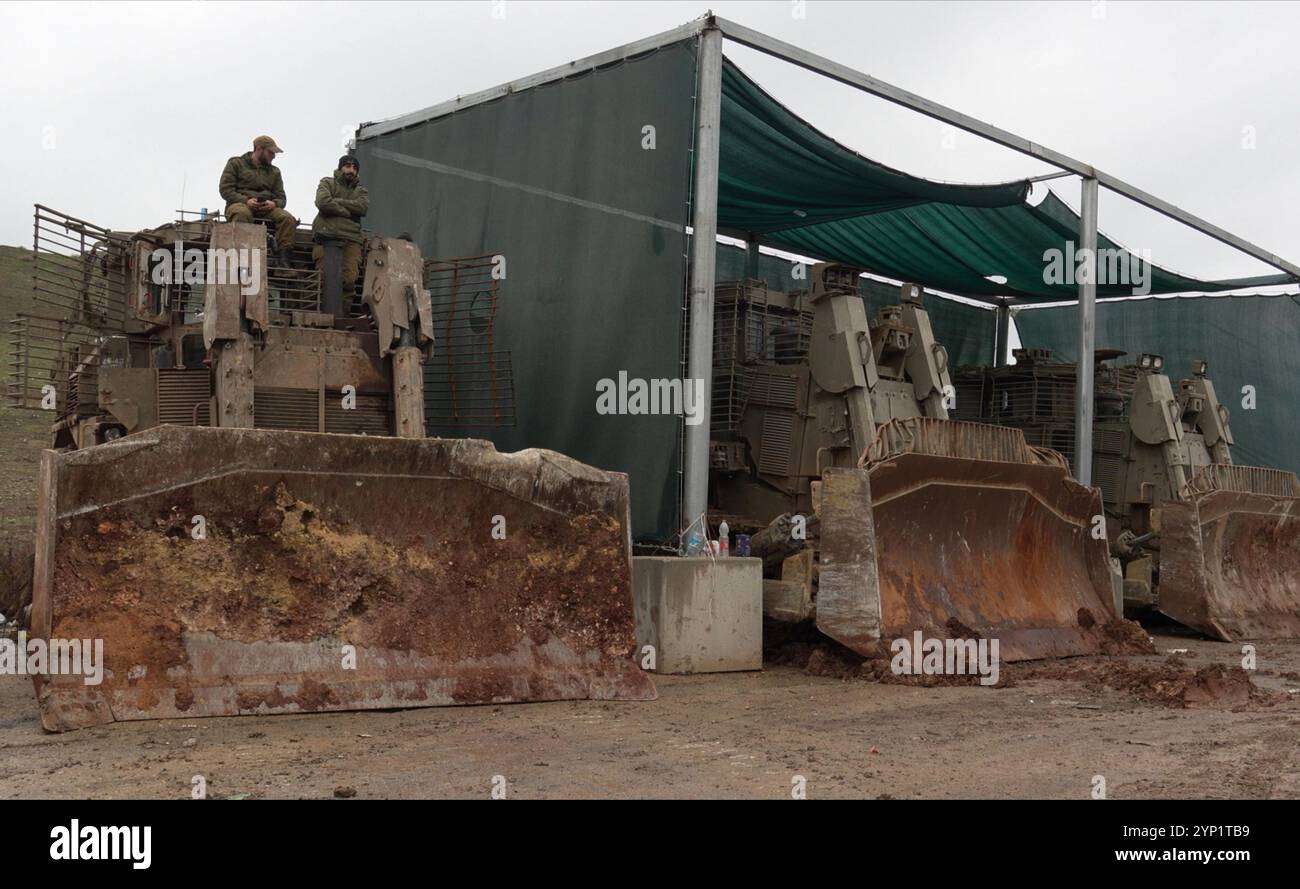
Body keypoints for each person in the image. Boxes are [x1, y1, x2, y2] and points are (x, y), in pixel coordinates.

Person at [219, 135, 297, 256]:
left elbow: (281, 197)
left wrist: (274, 203)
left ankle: (283, 261)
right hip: (240, 204)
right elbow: (225, 189)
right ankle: (242, 256)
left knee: (288, 219)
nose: (273, 156)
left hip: (266, 208)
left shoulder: (274, 172)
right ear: (259, 149)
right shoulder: (236, 164)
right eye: (270, 152)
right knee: (241, 214)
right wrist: (246, 200)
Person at [311, 154, 370, 294]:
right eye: (347, 166)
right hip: (326, 235)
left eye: (355, 168)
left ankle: (343, 314)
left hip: (352, 239)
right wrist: (347, 212)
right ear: (340, 168)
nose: (351, 170)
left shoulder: (361, 190)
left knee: (349, 280)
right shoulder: (327, 182)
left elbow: (362, 208)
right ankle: (318, 313)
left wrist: (338, 202)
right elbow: (323, 202)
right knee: (324, 279)